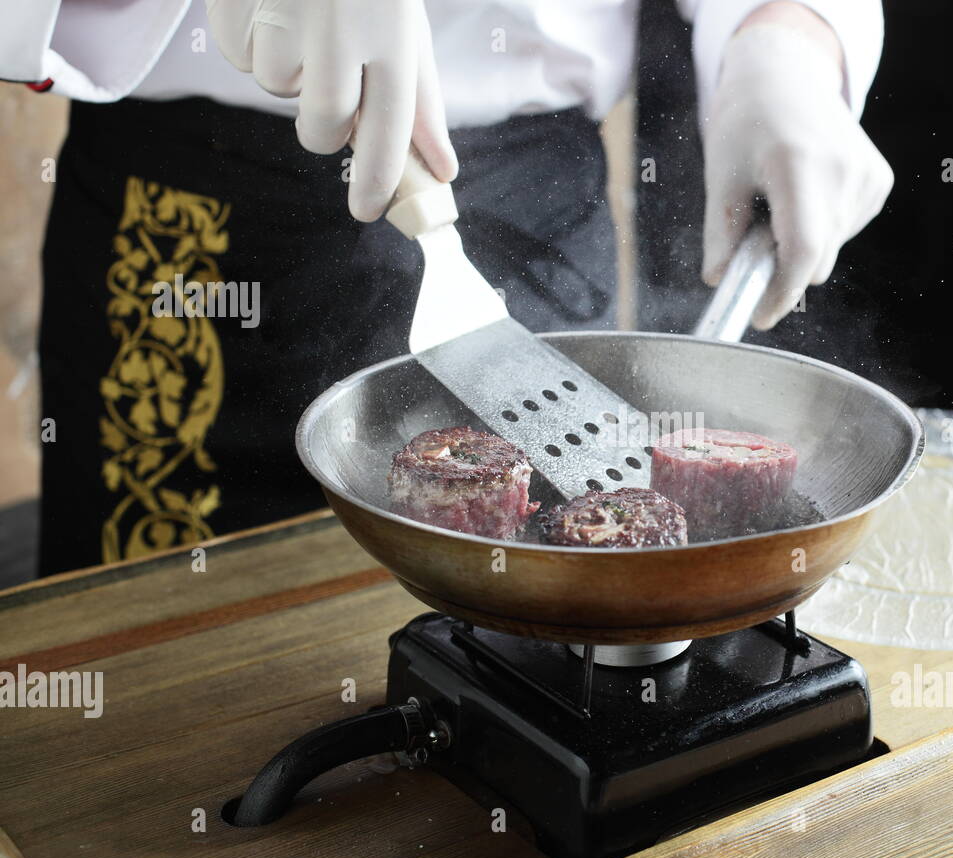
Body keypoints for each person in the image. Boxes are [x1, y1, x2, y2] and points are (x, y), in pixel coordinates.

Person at [2, 0, 892, 575]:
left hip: (534, 210)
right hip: (192, 220)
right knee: (151, 668)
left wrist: (788, 35)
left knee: (533, 635)